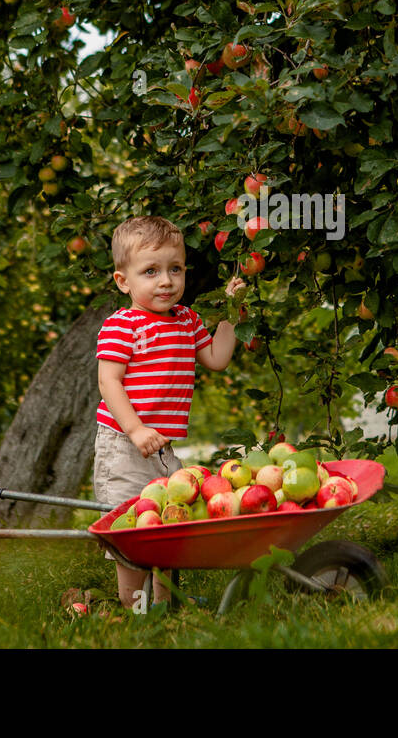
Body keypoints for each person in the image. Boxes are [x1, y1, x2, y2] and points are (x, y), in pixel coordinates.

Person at [90, 215, 240, 609]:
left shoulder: (187, 320)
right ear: (124, 281)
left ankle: (166, 601)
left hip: (160, 447)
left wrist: (233, 312)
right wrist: (136, 429)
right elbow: (110, 382)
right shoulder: (123, 326)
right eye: (151, 271)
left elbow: (217, 358)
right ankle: (133, 605)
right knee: (131, 529)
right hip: (124, 443)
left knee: (170, 521)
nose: (166, 281)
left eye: (175, 269)